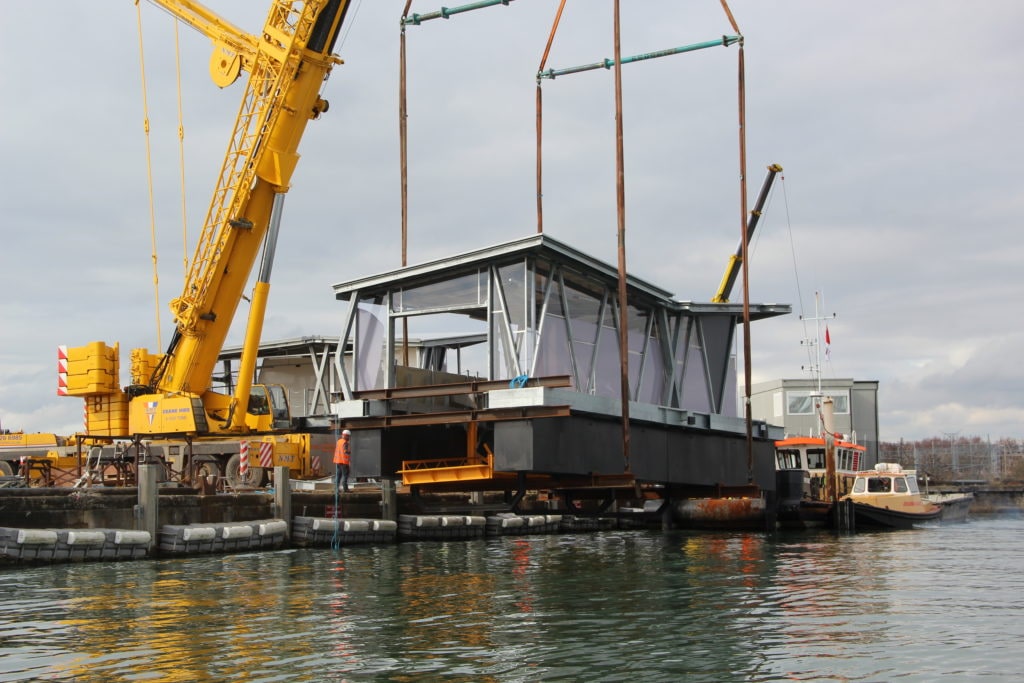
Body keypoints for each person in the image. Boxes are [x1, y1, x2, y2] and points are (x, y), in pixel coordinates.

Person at [334, 429, 352, 493]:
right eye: (348, 436)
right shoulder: (345, 443)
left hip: (338, 461)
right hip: (344, 462)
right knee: (345, 475)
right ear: (346, 436)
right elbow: (345, 452)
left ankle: (336, 489)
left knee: (338, 475)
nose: (349, 438)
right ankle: (345, 489)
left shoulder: (339, 441)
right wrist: (349, 452)